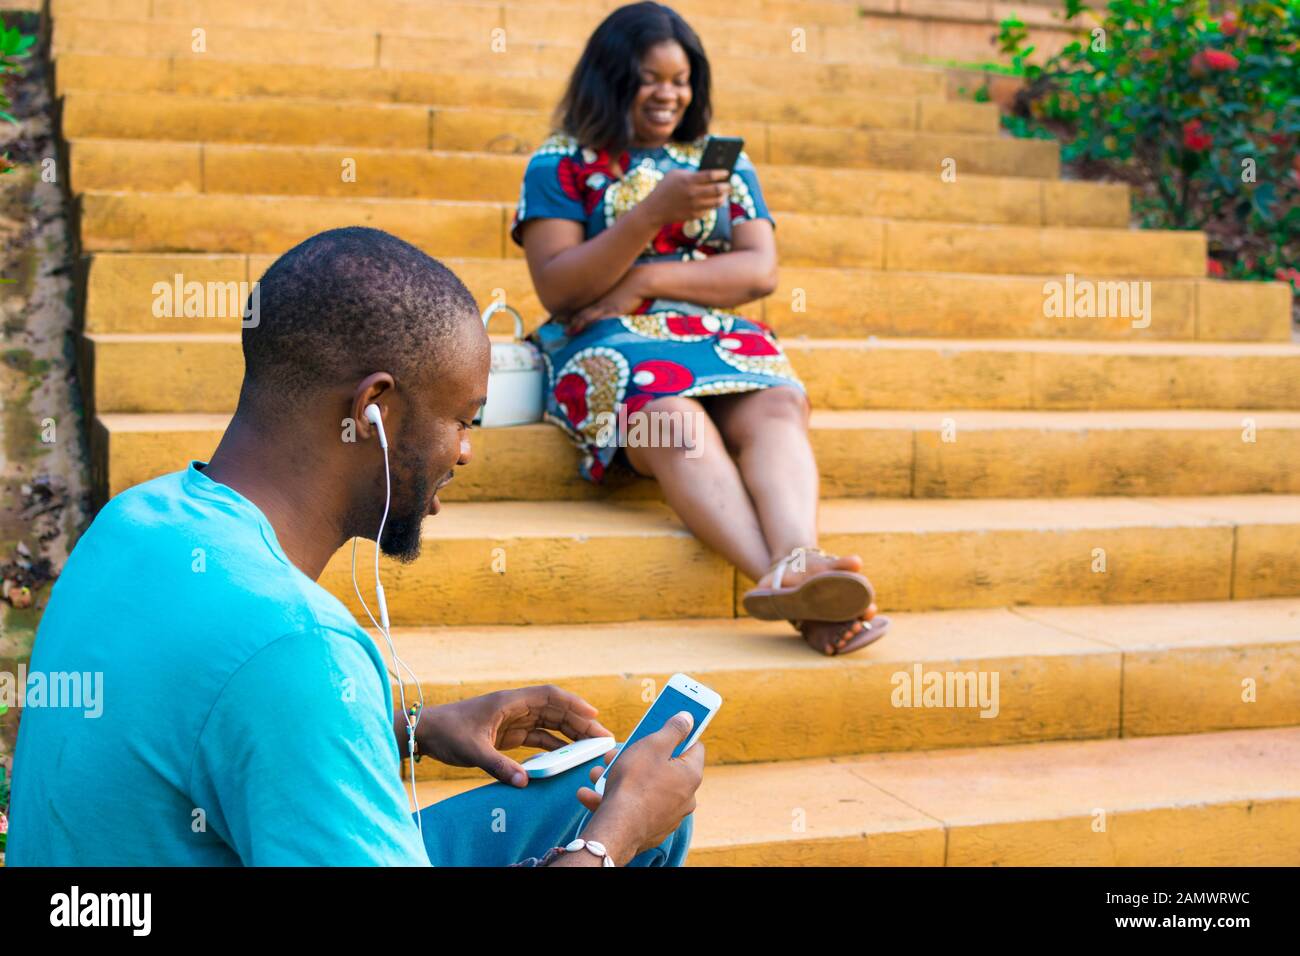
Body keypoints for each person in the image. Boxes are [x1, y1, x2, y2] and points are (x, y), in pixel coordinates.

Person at [6, 227, 700, 867]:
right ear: (374, 409)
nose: (465, 452)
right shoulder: (294, 645)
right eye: (462, 419)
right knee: (631, 812)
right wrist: (611, 842)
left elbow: (204, 720)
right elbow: (269, 687)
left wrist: (413, 729)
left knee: (584, 784)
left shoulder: (140, 515)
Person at [513, 2, 891, 656]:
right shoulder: (561, 162)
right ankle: (796, 590)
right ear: (610, 78)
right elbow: (560, 286)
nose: (669, 94)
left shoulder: (719, 166)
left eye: (681, 79)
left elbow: (759, 270)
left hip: (710, 336)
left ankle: (798, 559)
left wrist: (647, 281)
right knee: (675, 422)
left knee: (776, 401)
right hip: (606, 341)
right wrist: (649, 216)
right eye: (650, 77)